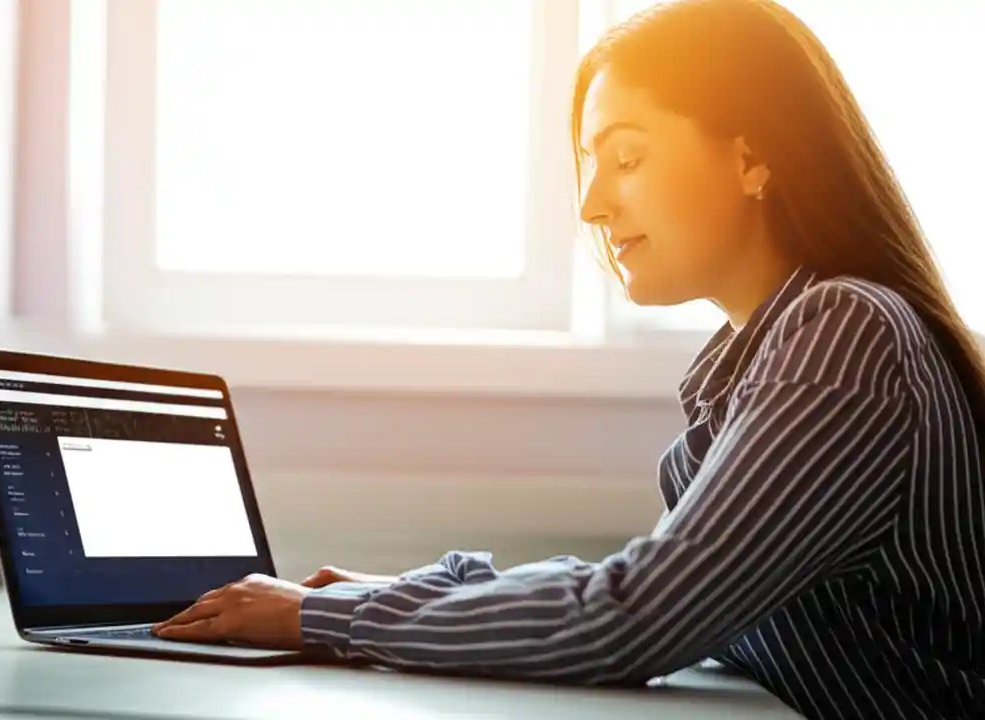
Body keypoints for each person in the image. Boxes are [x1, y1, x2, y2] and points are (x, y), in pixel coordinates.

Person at [152, 0, 985, 716]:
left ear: (751, 156)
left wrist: (323, 621)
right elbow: (653, 582)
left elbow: (635, 614)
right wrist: (402, 594)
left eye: (626, 157)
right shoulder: (766, 353)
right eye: (590, 165)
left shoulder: (842, 332)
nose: (591, 203)